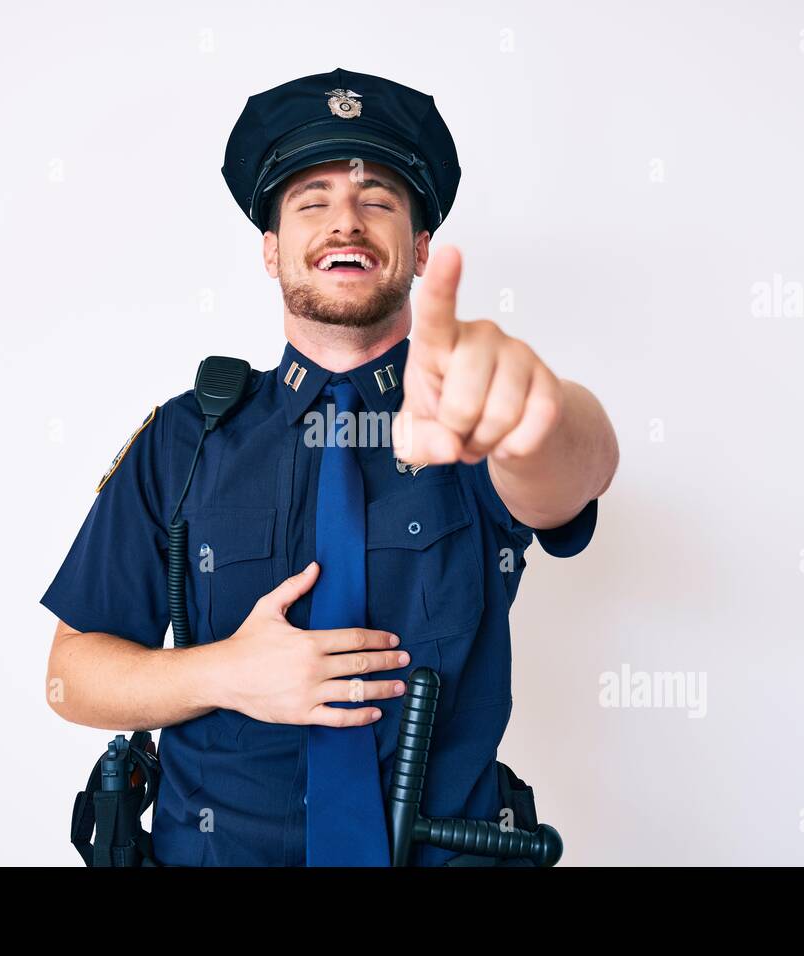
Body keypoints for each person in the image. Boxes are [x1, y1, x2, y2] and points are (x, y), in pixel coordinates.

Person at [41, 68, 619, 866]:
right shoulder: (187, 436)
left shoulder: (470, 416)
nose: (344, 220)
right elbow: (71, 675)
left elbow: (576, 472)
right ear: (273, 250)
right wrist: (224, 675)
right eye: (312, 201)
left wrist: (540, 411)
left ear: (419, 249)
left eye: (378, 199)